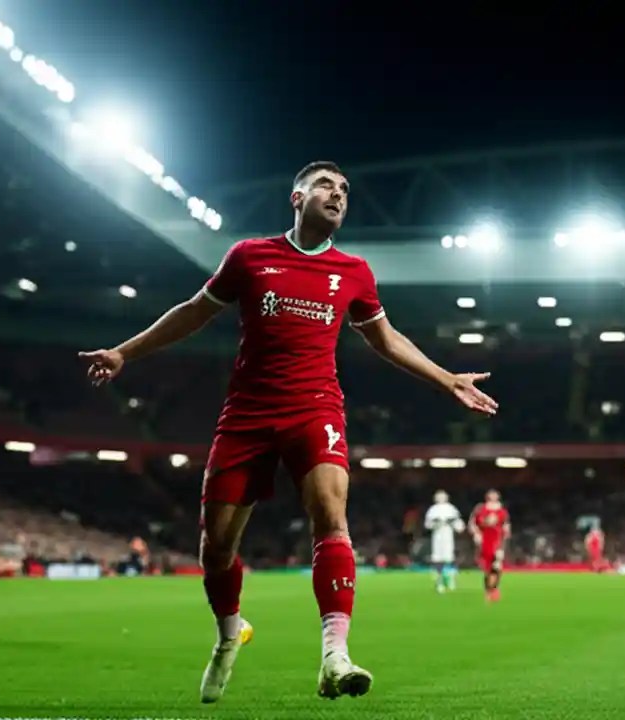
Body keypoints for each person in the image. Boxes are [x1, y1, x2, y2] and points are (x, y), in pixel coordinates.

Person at [79, 161, 498, 703]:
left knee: (332, 516)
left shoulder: (354, 272)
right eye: (327, 185)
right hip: (247, 415)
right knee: (216, 549)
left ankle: (334, 655)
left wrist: (448, 381)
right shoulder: (250, 256)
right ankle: (230, 635)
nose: (338, 194)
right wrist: (122, 352)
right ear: (296, 197)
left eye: (345, 190)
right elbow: (192, 313)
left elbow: (386, 339)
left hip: (315, 408)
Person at [470, 489, 510, 602]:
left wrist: (505, 539)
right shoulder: (480, 509)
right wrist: (476, 534)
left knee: (497, 565)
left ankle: (494, 589)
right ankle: (489, 590)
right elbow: (473, 524)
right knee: (488, 569)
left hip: (497, 541)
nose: (493, 496)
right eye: (490, 495)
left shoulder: (502, 511)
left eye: (495, 494)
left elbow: (506, 526)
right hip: (485, 541)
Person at [424, 490, 465, 593]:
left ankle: (451, 579)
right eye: (439, 497)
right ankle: (439, 581)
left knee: (449, 557)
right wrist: (436, 522)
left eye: (443, 497)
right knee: (438, 558)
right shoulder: (433, 509)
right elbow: (428, 524)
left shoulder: (451, 508)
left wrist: (452, 523)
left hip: (448, 535)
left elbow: (458, 522)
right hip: (437, 536)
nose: (441, 499)